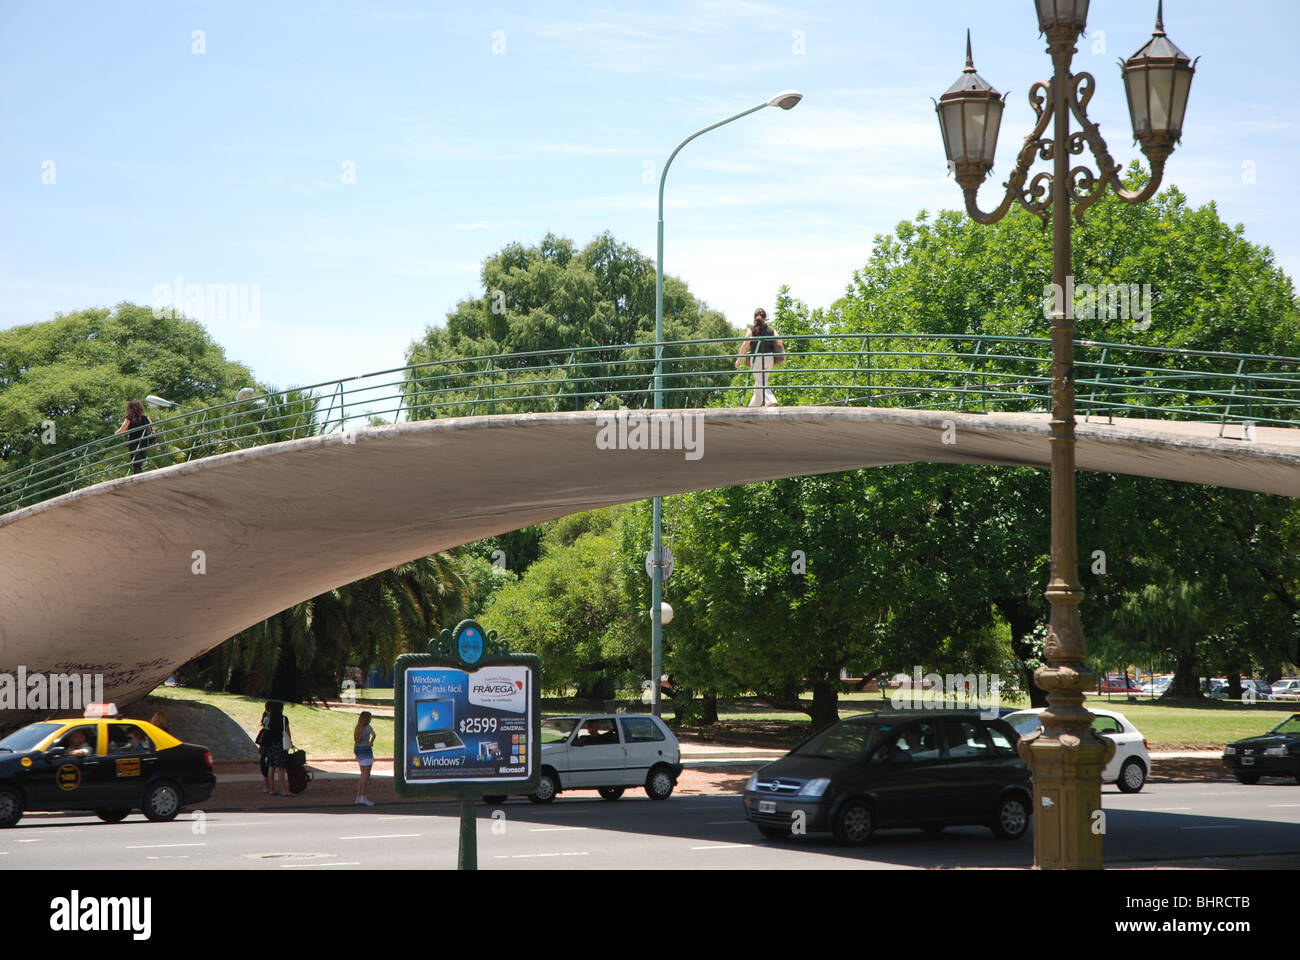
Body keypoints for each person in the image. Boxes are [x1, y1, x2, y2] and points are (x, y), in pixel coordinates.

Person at [734, 308, 784, 407]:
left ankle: (770, 401)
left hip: (757, 359)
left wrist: (738, 360)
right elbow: (779, 342)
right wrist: (782, 356)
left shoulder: (751, 330)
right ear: (765, 318)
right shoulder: (771, 330)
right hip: (769, 358)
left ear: (754, 318)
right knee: (761, 381)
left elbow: (745, 344)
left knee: (760, 380)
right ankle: (753, 406)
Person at [113, 400, 157, 475]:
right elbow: (152, 431)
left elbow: (122, 428)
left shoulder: (129, 418)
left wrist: (114, 434)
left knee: (137, 464)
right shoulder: (146, 418)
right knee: (140, 462)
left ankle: (138, 477)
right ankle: (140, 475)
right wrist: (156, 442)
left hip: (134, 444)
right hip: (144, 443)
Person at [262, 702, 291, 796]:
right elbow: (287, 732)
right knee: (281, 768)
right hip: (280, 745)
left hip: (270, 745)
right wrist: (290, 742)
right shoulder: (284, 719)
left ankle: (271, 789)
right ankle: (284, 790)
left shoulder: (268, 719)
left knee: (271, 766)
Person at [353, 711, 376, 807]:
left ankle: (358, 796)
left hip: (358, 749)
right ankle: (363, 796)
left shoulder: (358, 728)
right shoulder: (368, 727)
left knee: (362, 774)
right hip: (366, 749)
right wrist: (370, 742)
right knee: (366, 775)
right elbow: (374, 735)